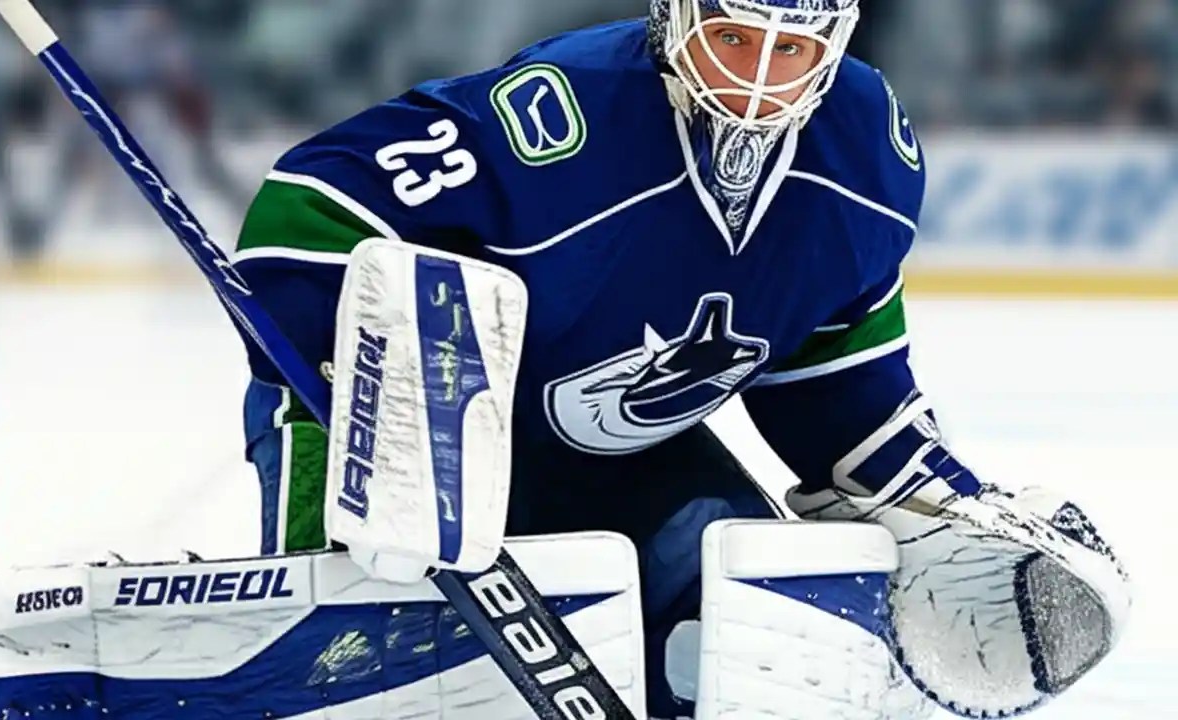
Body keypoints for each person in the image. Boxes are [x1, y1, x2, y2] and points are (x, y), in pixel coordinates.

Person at [234, 1, 1129, 717]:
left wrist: (944, 497)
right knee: (360, 660)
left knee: (747, 640)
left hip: (631, 458)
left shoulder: (866, 154)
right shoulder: (567, 114)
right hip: (414, 456)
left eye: (791, 52)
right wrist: (398, 401)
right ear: (677, 17)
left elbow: (836, 384)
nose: (757, 84)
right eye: (735, 39)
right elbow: (308, 208)